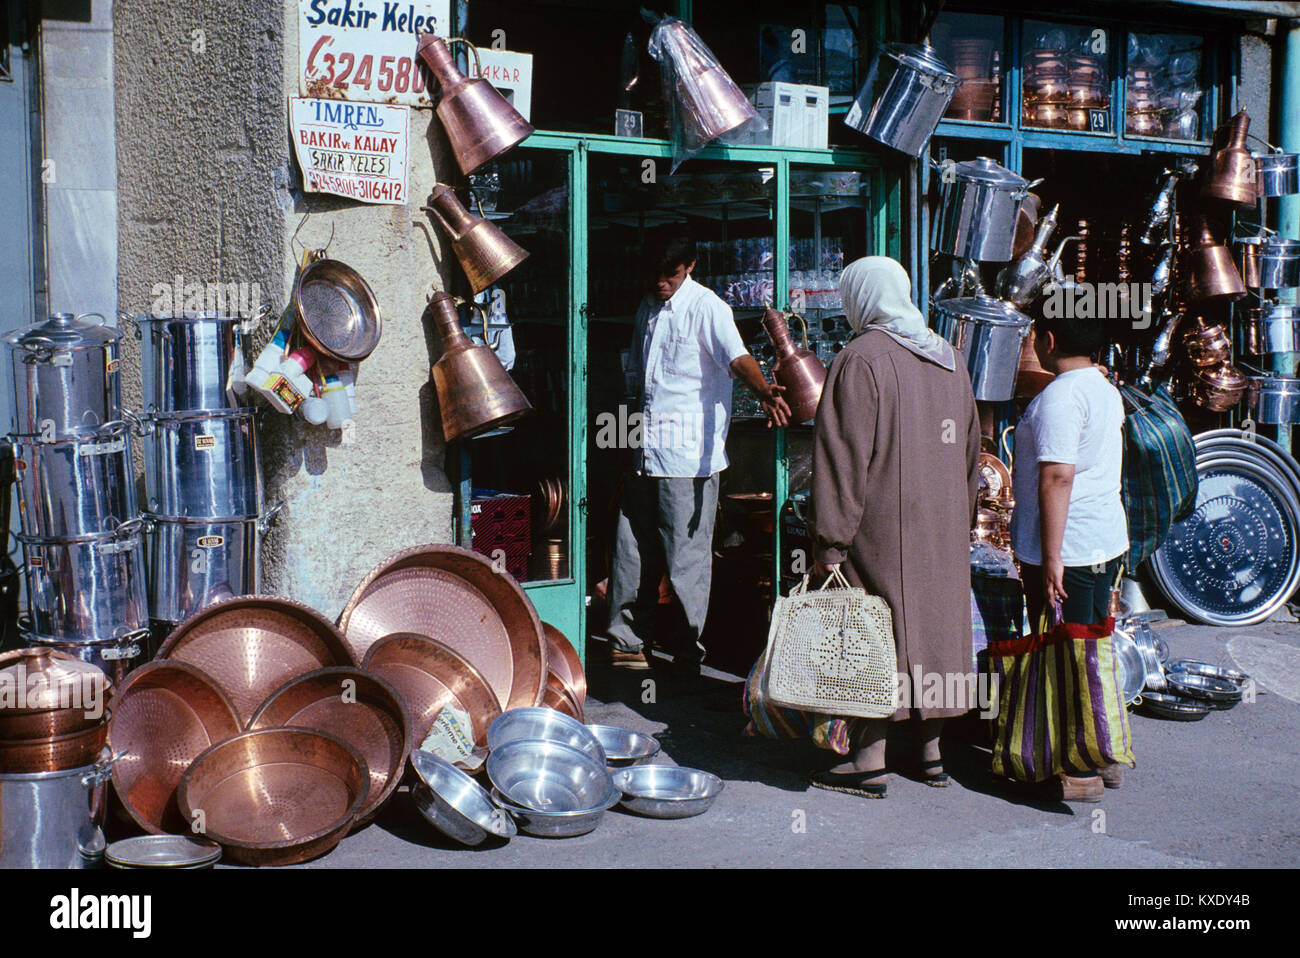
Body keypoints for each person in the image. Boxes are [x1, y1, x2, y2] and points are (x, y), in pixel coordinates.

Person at [808, 256, 981, 799]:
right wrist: (961, 519)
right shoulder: (949, 357)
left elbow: (843, 458)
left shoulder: (860, 359)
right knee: (932, 630)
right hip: (943, 524)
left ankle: (868, 759)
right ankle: (930, 753)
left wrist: (830, 539)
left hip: (878, 523)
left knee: (868, 633)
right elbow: (972, 453)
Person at [604, 235, 791, 677]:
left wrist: (764, 389)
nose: (662, 283)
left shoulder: (709, 308)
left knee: (685, 556)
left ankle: (689, 649)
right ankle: (627, 640)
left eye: (670, 275)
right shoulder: (648, 308)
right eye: (656, 274)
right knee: (632, 548)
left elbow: (737, 356)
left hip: (687, 456)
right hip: (646, 449)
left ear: (689, 266)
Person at [1009, 307, 1128, 801]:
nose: (1033, 340)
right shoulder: (1103, 387)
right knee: (1092, 649)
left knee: (1069, 653)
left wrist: (1053, 556)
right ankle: (1104, 754)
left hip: (1072, 547)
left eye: (1035, 332)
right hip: (1100, 540)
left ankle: (1079, 772)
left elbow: (1058, 476)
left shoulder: (1061, 396)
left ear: (1050, 339)